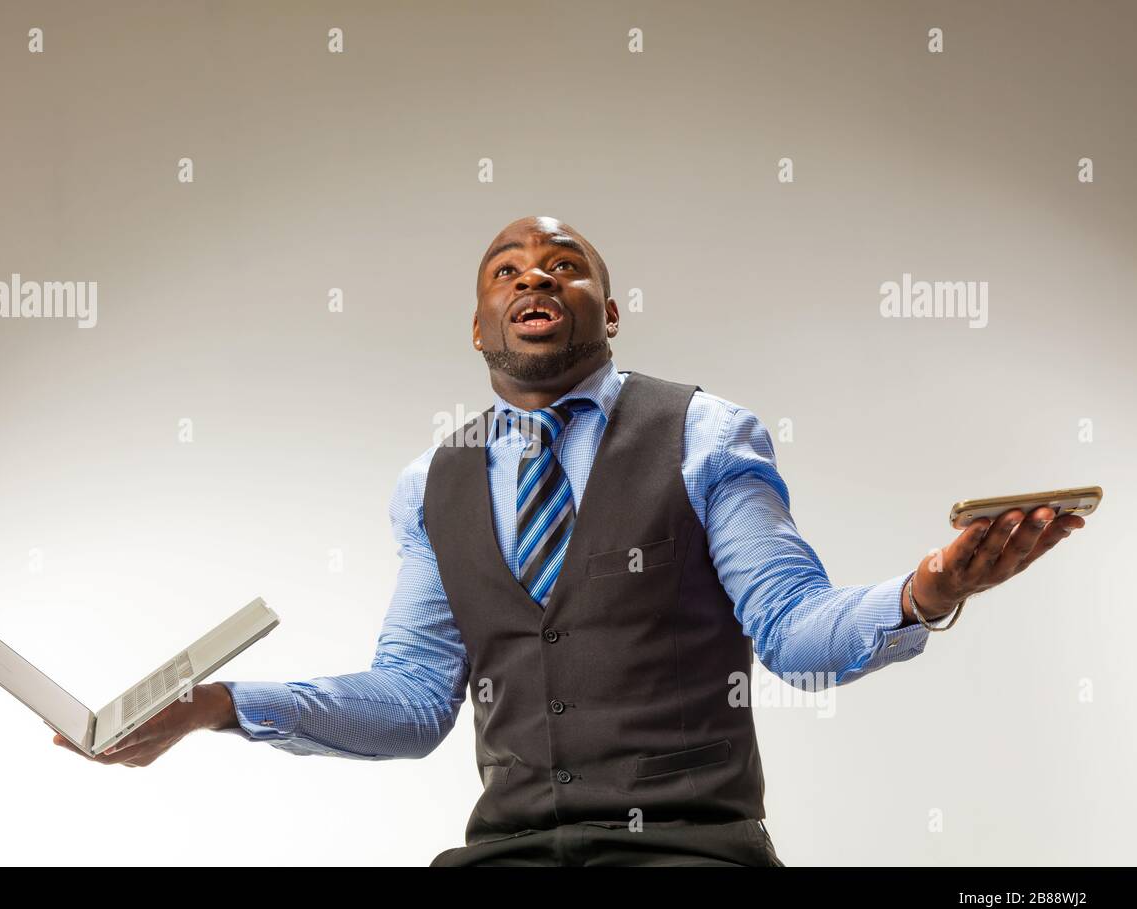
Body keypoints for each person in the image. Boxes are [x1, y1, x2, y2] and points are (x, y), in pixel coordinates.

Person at [53, 216, 1085, 866]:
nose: (533, 278)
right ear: (477, 325)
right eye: (506, 270)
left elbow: (789, 626)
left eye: (563, 266)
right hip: (505, 852)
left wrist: (919, 590)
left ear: (610, 309)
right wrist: (218, 704)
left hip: (689, 849)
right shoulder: (432, 483)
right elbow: (414, 697)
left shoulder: (704, 432)